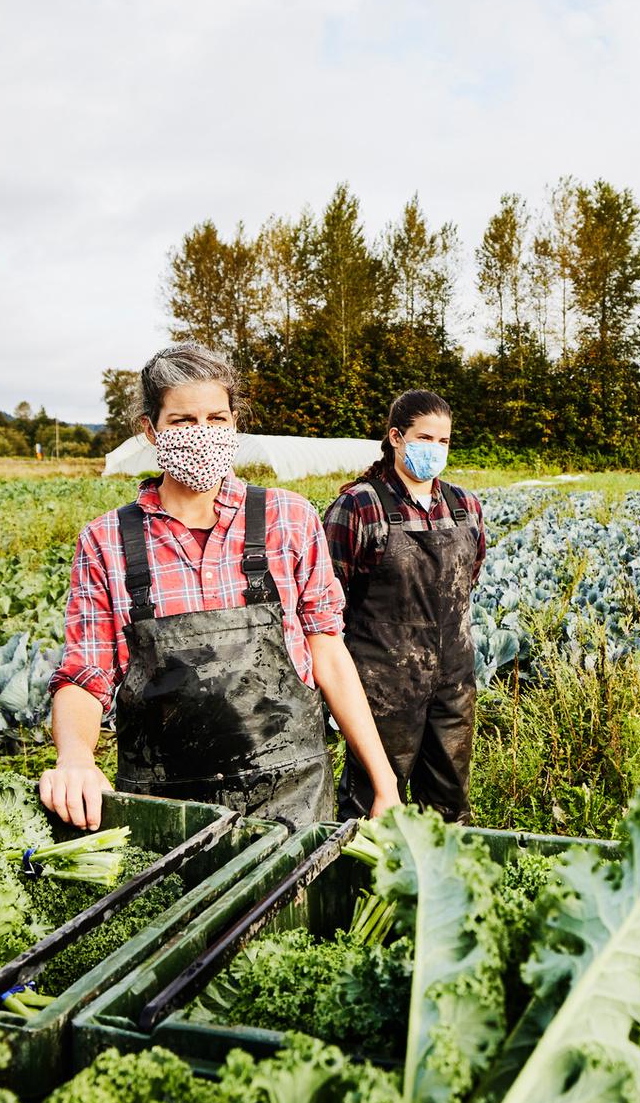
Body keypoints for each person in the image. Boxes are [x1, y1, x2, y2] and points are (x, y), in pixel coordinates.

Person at [40, 343, 401, 831]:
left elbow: (328, 652)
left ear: (234, 424)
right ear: (150, 430)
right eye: (182, 421)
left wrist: (384, 781)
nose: (202, 434)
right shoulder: (107, 541)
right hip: (166, 804)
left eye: (216, 418)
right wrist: (77, 757)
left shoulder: (288, 519)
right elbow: (85, 674)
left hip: (291, 792)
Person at [322, 390, 486, 822]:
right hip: (382, 688)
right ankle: (363, 886)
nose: (435, 450)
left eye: (443, 442)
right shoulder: (360, 505)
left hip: (453, 682)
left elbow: (469, 577)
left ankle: (437, 884)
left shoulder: (465, 506)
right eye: (424, 438)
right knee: (372, 808)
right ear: (396, 437)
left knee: (449, 806)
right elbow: (325, 600)